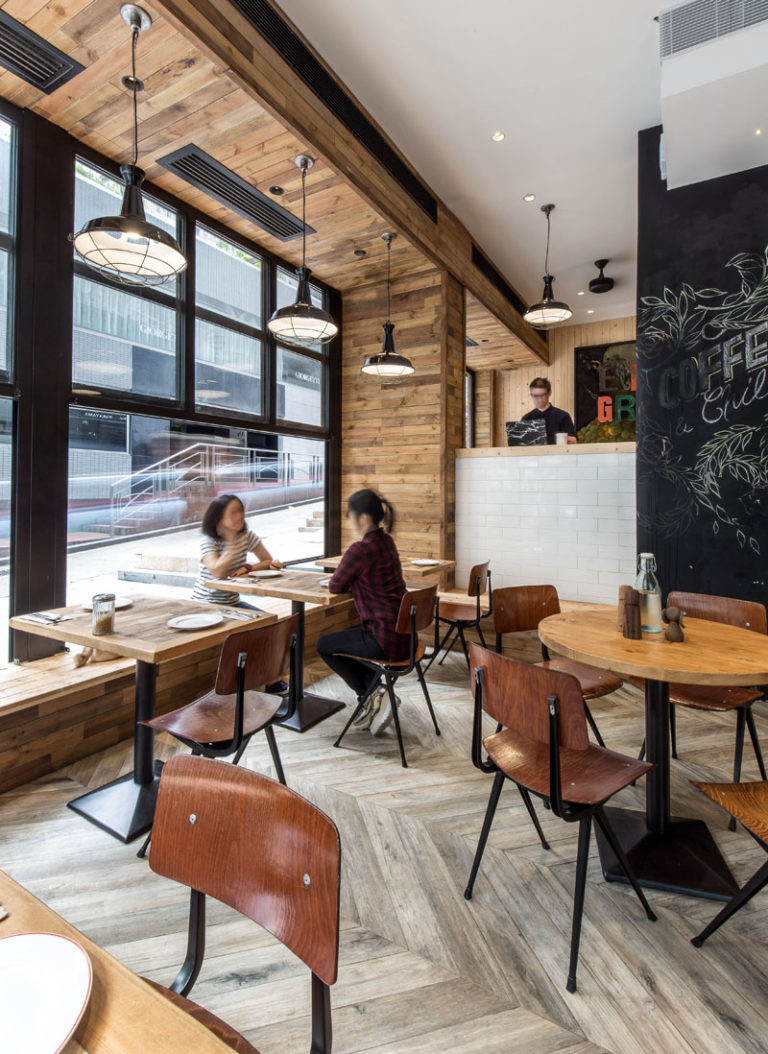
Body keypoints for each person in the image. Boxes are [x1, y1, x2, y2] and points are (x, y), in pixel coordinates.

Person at [316, 489, 406, 736]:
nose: (349, 521)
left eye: (350, 516)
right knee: (345, 637)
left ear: (363, 518)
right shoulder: (387, 542)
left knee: (325, 644)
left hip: (383, 639)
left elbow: (336, 585)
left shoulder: (360, 550)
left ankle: (372, 694)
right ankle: (375, 696)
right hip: (404, 635)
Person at [521, 377, 577, 444]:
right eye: (535, 396)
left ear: (549, 393)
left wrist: (564, 438)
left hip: (558, 454)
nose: (539, 399)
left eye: (542, 395)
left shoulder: (563, 416)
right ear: (531, 395)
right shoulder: (526, 418)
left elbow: (574, 441)